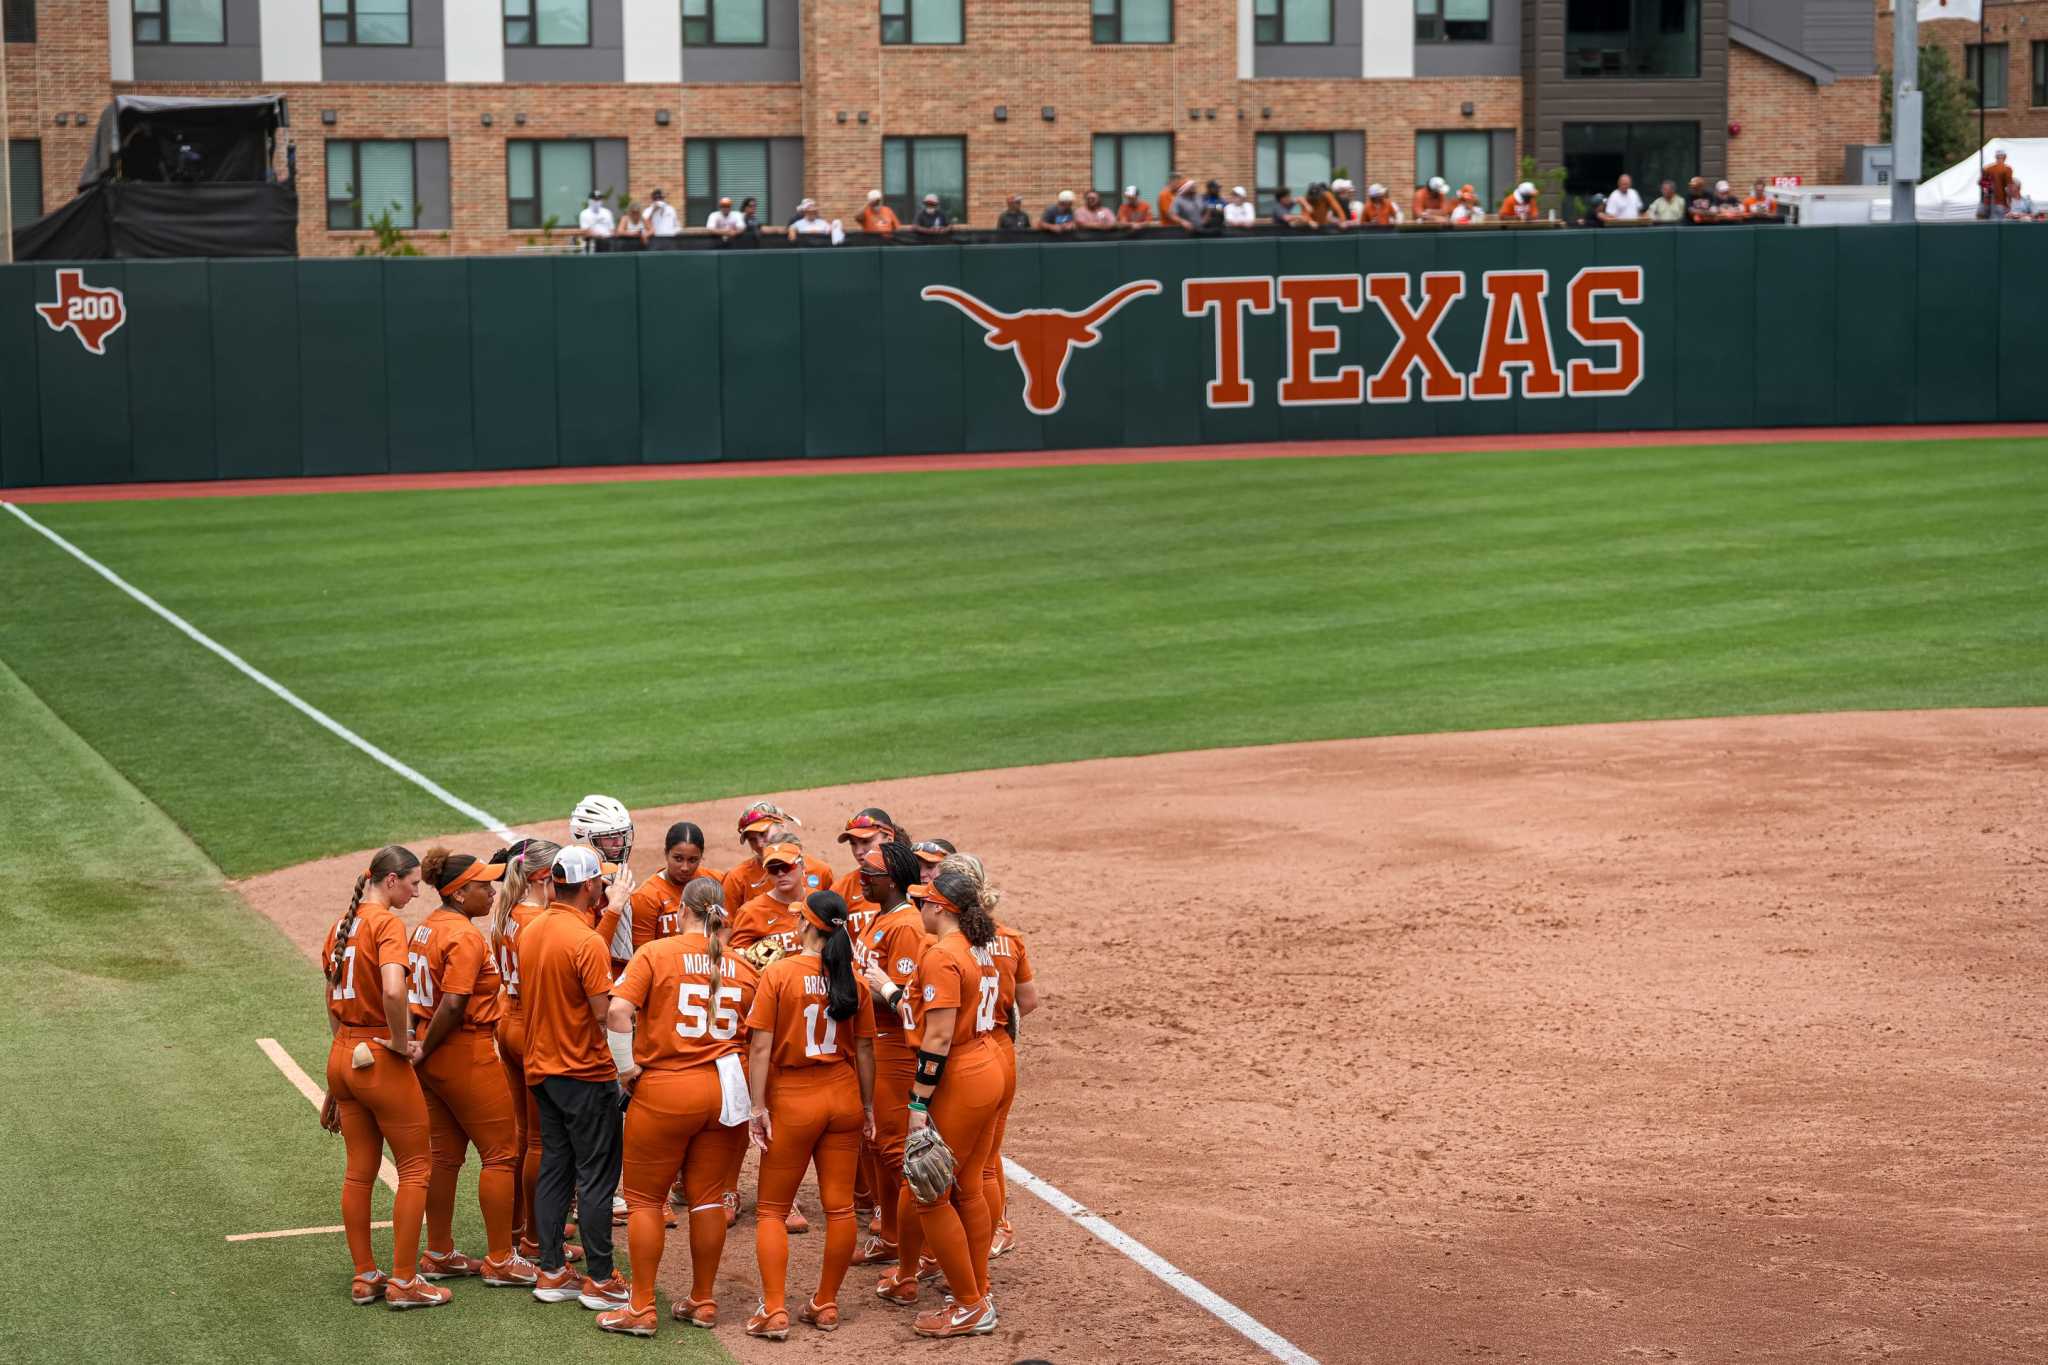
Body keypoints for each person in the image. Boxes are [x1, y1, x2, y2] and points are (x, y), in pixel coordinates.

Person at [599, 876, 758, 1336]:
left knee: (645, 1201)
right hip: (725, 1094)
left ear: (682, 910)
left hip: (666, 1090)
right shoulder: (743, 965)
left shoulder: (656, 953)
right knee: (708, 1199)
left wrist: (625, 1070)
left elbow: (617, 1012)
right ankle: (702, 1301)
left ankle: (641, 1308)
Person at [877, 860, 1005, 1336]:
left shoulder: (941, 955)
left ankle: (970, 1305)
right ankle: (978, 1289)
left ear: (941, 908)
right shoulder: (974, 948)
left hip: (960, 1075)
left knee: (928, 1190)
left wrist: (917, 1102)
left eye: (924, 901)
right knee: (967, 1185)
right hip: (988, 1064)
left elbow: (939, 1036)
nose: (918, 907)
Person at [742, 892, 877, 1339]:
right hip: (843, 1095)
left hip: (794, 1098)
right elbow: (864, 1049)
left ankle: (774, 1310)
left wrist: (757, 1107)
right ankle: (826, 1304)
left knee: (771, 1210)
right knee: (840, 1208)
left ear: (804, 924)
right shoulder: (854, 980)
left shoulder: (779, 974)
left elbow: (760, 1047)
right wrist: (867, 1106)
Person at [320, 845, 447, 1309]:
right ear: (390, 880)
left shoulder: (342, 924)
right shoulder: (386, 924)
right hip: (377, 1056)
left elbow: (330, 998)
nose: (416, 892)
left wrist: (340, 1065)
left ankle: (365, 1276)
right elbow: (394, 990)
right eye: (412, 884)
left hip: (343, 1054)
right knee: (416, 1167)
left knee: (358, 1171)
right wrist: (398, 1040)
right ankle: (405, 1281)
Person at [409, 849, 534, 1286]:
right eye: (484, 886)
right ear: (460, 893)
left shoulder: (426, 927)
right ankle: (500, 1258)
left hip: (433, 1056)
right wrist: (426, 1047)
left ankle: (439, 1252)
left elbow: (416, 996)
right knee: (502, 1153)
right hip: (463, 1052)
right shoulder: (464, 936)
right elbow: (454, 1002)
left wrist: (419, 1046)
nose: (493, 892)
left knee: (444, 1157)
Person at [519, 845, 630, 1310]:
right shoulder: (585, 941)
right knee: (597, 1178)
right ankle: (601, 1279)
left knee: (555, 1169)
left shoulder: (532, 930)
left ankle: (551, 1271)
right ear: (588, 886)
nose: (603, 885)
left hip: (543, 1071)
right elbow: (604, 1013)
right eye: (600, 880)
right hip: (585, 1072)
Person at [942, 855, 1037, 1259]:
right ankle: (997, 1230)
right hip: (1000, 1047)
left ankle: (953, 1247)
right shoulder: (1009, 939)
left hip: (964, 1053)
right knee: (986, 1158)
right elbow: (1028, 1002)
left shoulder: (951, 946)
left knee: (955, 1165)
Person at [851, 841, 930, 1269]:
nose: (862, 878)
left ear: (894, 881)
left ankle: (922, 1243)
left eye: (871, 873)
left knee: (897, 1150)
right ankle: (892, 1234)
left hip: (895, 1049)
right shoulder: (881, 917)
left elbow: (905, 1000)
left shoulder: (906, 927)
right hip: (874, 1043)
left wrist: (858, 988)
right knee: (880, 1143)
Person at [489, 838, 568, 1263]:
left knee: (522, 1133)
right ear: (541, 878)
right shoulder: (539, 921)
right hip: (533, 1029)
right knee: (542, 1141)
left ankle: (518, 1227)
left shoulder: (508, 914)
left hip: (508, 1022)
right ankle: (536, 1241)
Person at [724, 802, 834, 914]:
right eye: (752, 839)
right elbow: (726, 923)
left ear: (782, 826)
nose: (760, 844)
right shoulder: (737, 879)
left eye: (763, 834)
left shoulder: (820, 871)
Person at [629, 821, 722, 954]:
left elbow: (729, 928)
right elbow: (643, 953)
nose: (685, 867)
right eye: (678, 859)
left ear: (701, 856)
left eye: (692, 860)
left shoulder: (715, 882)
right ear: (666, 854)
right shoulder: (646, 897)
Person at [832, 808, 903, 931]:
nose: (858, 851)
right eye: (853, 844)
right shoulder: (842, 889)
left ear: (889, 839)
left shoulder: (914, 878)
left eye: (866, 841)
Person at [1985, 149, 2015, 220]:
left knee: (1990, 222)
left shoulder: (1988, 168)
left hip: (1988, 203)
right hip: (2001, 202)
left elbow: (1984, 186)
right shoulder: (2007, 169)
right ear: (2005, 157)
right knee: (2001, 223)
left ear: (1995, 157)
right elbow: (2009, 187)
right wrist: (2010, 202)